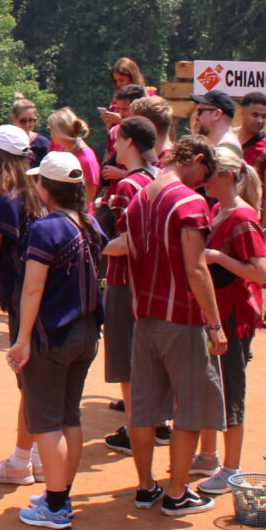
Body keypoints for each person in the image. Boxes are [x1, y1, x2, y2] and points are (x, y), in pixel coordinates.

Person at [104, 133, 226, 516]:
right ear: (198, 159)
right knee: (191, 407)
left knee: (142, 409)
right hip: (183, 321)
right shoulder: (189, 202)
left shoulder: (140, 198)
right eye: (205, 175)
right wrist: (215, 324)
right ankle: (176, 493)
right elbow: (196, 268)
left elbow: (125, 245)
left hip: (144, 319)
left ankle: (146, 487)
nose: (203, 184)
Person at [4, 151, 104, 530]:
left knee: (45, 421)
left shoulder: (46, 229)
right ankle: (60, 494)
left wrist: (22, 340)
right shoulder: (90, 224)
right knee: (68, 416)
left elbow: (33, 289)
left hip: (52, 336)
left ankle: (57, 506)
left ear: (46, 188)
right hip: (86, 332)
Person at [0, 124, 46, 486]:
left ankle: (21, 462)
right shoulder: (37, 191)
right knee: (40, 381)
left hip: (21, 295)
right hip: (40, 292)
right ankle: (38, 457)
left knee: (28, 383)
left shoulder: (4, 198)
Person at [195, 149, 266, 495]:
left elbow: (260, 273)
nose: (203, 181)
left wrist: (219, 257)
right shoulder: (219, 210)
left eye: (208, 174)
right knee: (214, 385)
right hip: (219, 313)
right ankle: (209, 456)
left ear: (226, 176)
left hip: (234, 316)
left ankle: (231, 467)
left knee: (230, 390)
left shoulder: (242, 218)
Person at [97, 115, 167, 447]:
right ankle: (160, 423)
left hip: (125, 280)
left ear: (130, 143)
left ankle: (133, 431)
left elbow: (126, 241)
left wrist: (92, 245)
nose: (114, 144)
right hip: (155, 281)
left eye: (118, 138)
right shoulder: (160, 178)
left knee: (126, 360)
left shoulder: (127, 186)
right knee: (152, 358)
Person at [236, 91, 266, 223]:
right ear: (242, 113)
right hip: (219, 212)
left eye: (264, 116)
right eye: (255, 115)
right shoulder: (227, 138)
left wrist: (264, 228)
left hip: (249, 218)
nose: (260, 121)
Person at [46, 106, 102, 208]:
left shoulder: (86, 159)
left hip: (76, 212)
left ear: (59, 133)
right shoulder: (56, 145)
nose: (51, 134)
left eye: (51, 130)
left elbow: (89, 197)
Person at [98, 84, 149, 185]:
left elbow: (154, 173)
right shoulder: (116, 131)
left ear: (139, 108)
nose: (121, 114)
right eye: (119, 109)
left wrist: (123, 174)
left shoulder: (149, 135)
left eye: (125, 109)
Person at [10, 92, 51, 164]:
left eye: (31, 120)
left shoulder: (43, 144)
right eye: (23, 121)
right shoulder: (6, 142)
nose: (28, 124)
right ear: (13, 118)